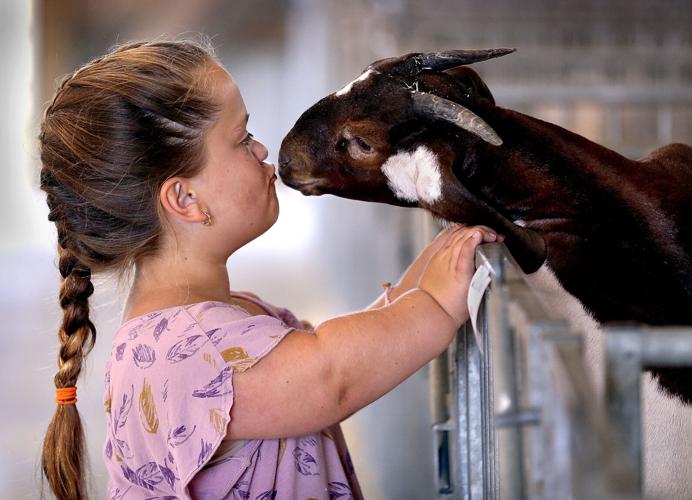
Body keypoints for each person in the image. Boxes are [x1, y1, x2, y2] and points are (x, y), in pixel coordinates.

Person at [38, 39, 501, 500]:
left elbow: (346, 348)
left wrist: (433, 267)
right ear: (185, 199)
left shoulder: (205, 324)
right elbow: (331, 376)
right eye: (241, 139)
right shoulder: (188, 354)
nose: (262, 149)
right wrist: (437, 304)